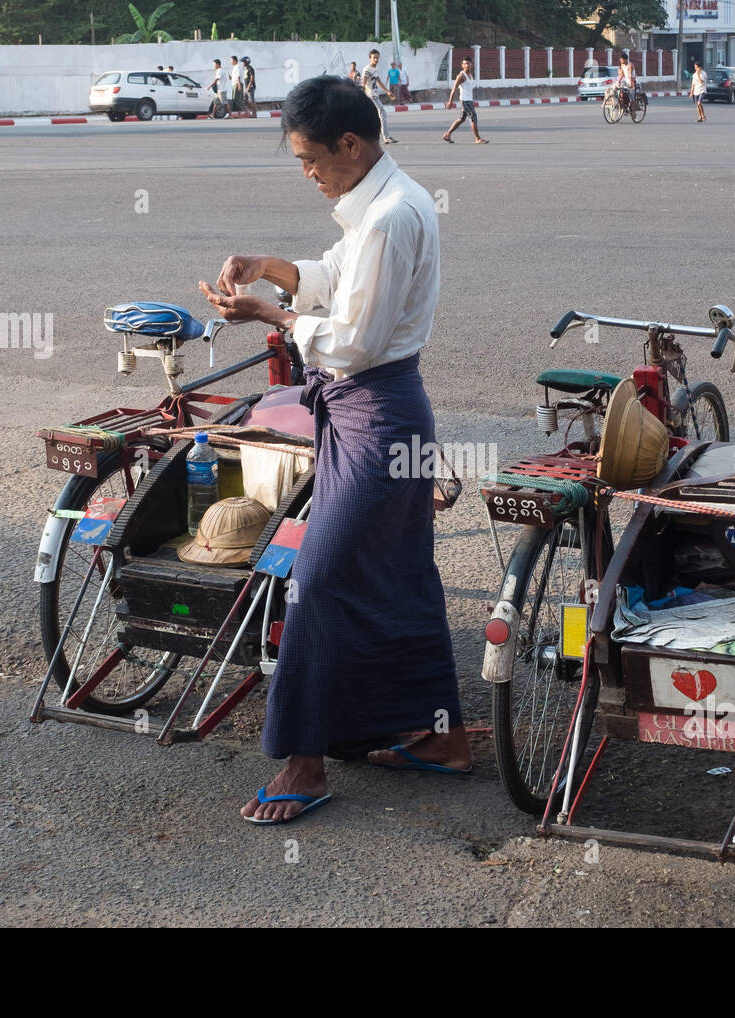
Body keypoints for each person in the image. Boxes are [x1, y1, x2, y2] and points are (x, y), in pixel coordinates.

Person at [197, 75, 470, 824]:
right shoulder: (384, 201)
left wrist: (272, 315)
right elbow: (338, 278)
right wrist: (270, 267)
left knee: (317, 579)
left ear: (351, 144)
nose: (308, 174)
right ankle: (440, 736)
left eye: (311, 160)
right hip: (378, 412)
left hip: (375, 416)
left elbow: (352, 340)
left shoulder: (387, 216)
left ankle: (306, 759)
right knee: (397, 570)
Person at [442, 57, 487, 143]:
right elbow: (454, 89)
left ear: (471, 65)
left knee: (461, 119)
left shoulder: (470, 75)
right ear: (462, 65)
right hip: (464, 100)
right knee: (473, 117)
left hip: (469, 100)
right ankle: (478, 138)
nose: (467, 65)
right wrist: (450, 101)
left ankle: (447, 135)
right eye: (465, 64)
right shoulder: (461, 76)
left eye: (468, 64)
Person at [360, 49, 398, 144]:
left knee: (371, 117)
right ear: (370, 58)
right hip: (371, 96)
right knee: (383, 114)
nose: (376, 60)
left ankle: (366, 137)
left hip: (374, 95)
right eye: (374, 58)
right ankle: (386, 137)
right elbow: (363, 83)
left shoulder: (374, 69)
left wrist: (387, 92)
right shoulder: (367, 69)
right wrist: (361, 95)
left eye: (377, 58)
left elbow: (379, 82)